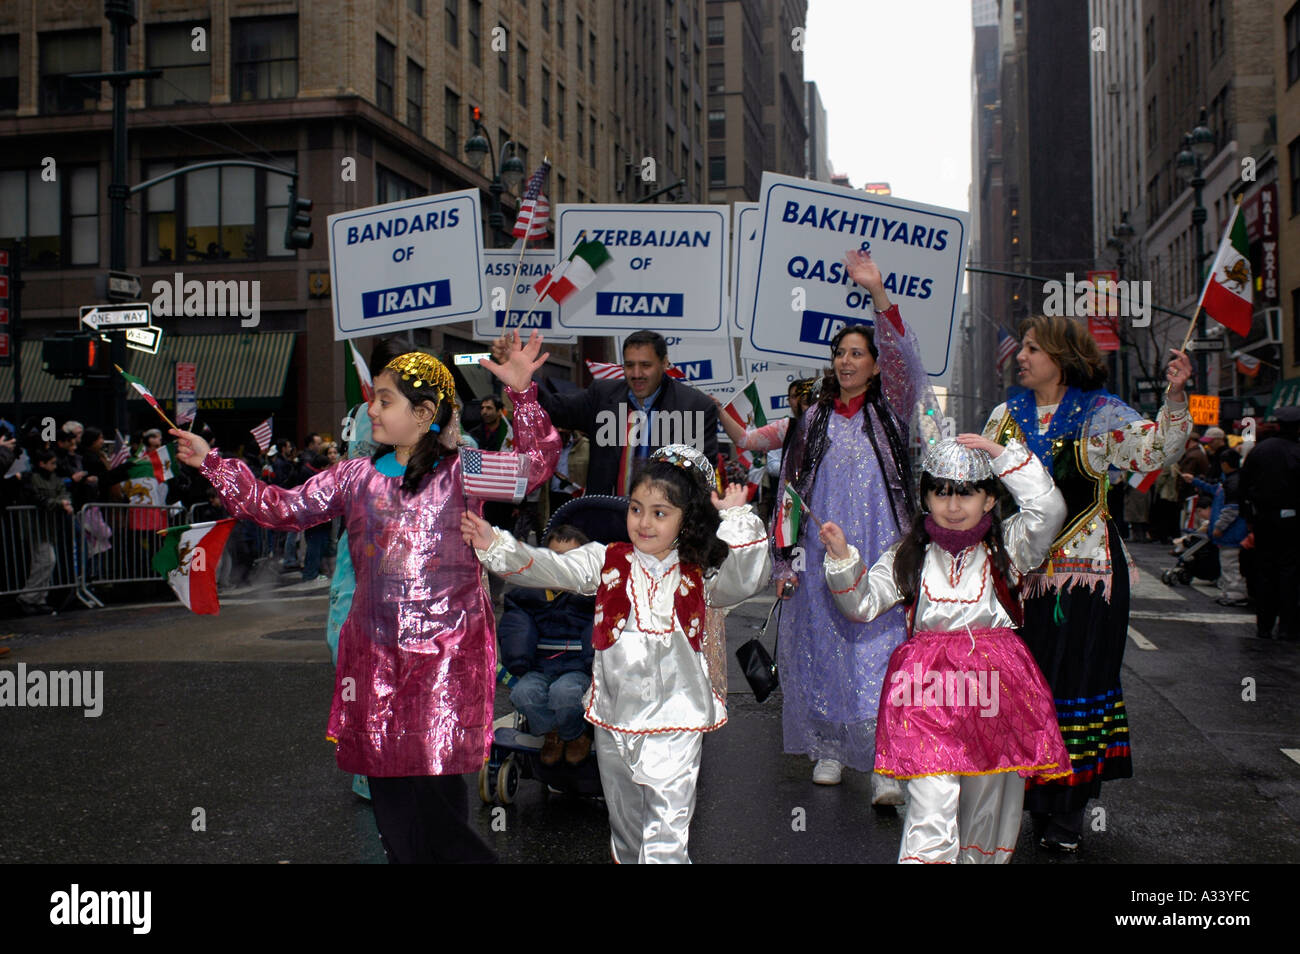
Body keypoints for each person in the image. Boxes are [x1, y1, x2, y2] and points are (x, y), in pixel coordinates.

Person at [171, 332, 560, 863]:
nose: (370, 409)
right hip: (374, 662)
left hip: (443, 663)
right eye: (373, 397)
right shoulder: (356, 476)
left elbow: (533, 467)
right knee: (393, 807)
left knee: (438, 809)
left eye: (384, 400)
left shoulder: (462, 471)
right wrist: (212, 462)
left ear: (424, 413)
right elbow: (279, 507)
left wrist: (523, 396)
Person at [464, 444, 769, 863]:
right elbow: (550, 567)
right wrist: (497, 544)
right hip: (612, 717)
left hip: (675, 723)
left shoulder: (702, 571)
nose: (644, 523)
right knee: (626, 832)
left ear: (687, 519)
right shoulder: (605, 559)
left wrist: (735, 518)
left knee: (666, 836)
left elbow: (745, 577)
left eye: (660, 513)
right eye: (637, 509)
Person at [982, 314, 1193, 851]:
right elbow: (974, 482)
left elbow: (1157, 449)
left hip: (1087, 577)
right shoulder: (1005, 418)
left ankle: (1068, 811)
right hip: (1023, 578)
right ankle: (1034, 799)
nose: (1022, 357)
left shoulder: (1102, 415)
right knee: (1027, 690)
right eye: (1022, 347)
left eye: (1033, 348)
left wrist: (1175, 394)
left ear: (1062, 356)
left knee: (1076, 684)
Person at [821, 435, 1070, 863]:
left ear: (990, 499)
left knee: (986, 807)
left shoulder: (1011, 546)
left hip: (996, 689)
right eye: (940, 493)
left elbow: (1050, 510)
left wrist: (1003, 456)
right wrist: (844, 561)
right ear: (925, 497)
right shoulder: (908, 554)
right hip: (926, 690)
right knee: (930, 802)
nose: (952, 507)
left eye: (967, 493)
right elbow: (861, 604)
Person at [774, 249, 936, 803]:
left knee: (881, 644)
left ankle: (884, 761)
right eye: (840, 353)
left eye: (857, 353)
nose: (847, 361)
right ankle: (830, 749)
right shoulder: (813, 418)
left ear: (873, 364)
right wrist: (784, 558)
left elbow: (906, 360)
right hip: (822, 554)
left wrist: (878, 293)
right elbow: (789, 490)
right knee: (821, 642)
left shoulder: (892, 407)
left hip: (882, 551)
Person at [507, 329, 719, 496]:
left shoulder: (695, 407)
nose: (636, 374)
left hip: (664, 528)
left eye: (645, 365)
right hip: (606, 522)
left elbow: (700, 477)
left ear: (664, 363)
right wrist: (523, 379)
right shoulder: (602, 395)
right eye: (629, 365)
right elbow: (553, 409)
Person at [498, 524, 597, 766]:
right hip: (540, 665)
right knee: (524, 694)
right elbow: (515, 623)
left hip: (578, 668)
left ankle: (575, 734)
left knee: (565, 695)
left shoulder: (593, 595)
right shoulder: (529, 593)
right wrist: (517, 655)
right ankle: (552, 733)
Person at [1238, 405, 1300, 640]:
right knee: (1289, 573)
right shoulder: (1296, 451)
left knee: (1265, 571)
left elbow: (1243, 488)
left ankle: (1264, 624)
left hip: (1263, 519)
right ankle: (1287, 626)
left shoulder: (1259, 451)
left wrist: (1250, 519)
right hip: (1292, 520)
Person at [1184, 447, 1248, 605]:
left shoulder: (1233, 483)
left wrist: (1219, 527)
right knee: (1228, 565)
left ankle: (1236, 594)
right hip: (1230, 533)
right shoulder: (1231, 481)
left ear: (1225, 464)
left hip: (1231, 533)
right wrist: (1195, 481)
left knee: (1231, 565)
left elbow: (1231, 510)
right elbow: (1215, 490)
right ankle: (1230, 592)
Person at [18, 448, 74, 615]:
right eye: (52, 463)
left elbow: (63, 492)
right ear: (42, 463)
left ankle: (39, 598)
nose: (55, 466)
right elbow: (37, 499)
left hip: (49, 527)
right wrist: (60, 503)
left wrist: (63, 502)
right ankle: (29, 597)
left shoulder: (54, 478)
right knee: (45, 561)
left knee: (46, 562)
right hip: (36, 527)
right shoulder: (32, 479)